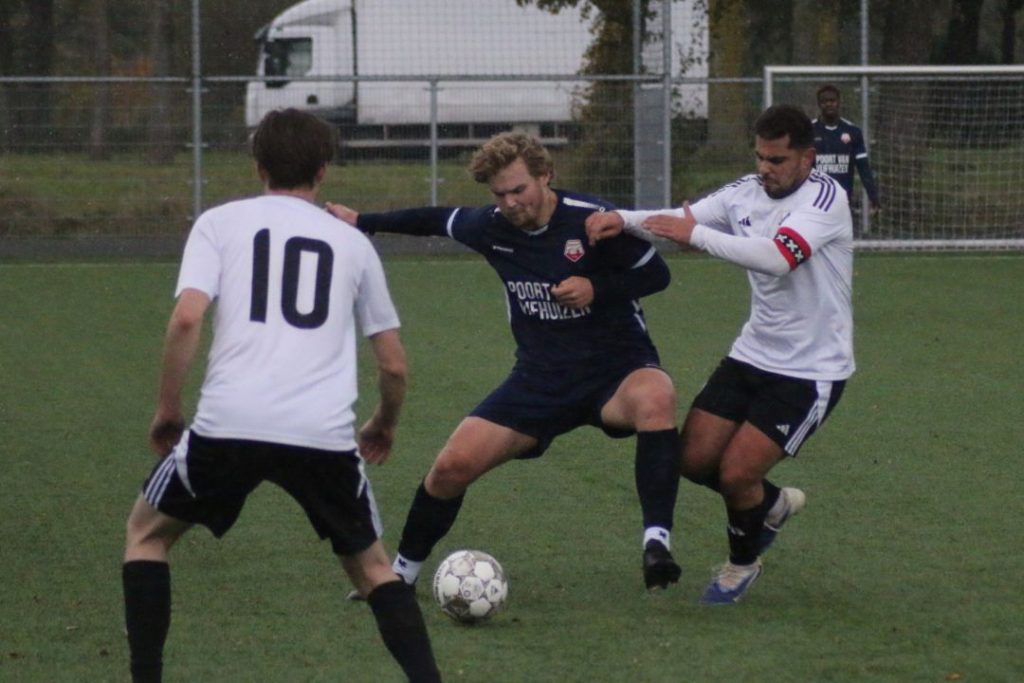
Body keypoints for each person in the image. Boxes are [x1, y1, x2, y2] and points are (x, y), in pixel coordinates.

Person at [121, 108, 441, 682]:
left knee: (147, 535)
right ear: (324, 171)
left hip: (228, 424)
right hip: (320, 433)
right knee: (372, 569)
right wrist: (383, 424)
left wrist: (168, 408)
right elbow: (393, 364)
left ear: (258, 165)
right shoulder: (353, 243)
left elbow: (187, 320)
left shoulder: (219, 224)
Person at [326, 131, 683, 594]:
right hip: (540, 381)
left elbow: (658, 274)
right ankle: (401, 574)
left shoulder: (592, 220)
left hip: (616, 371)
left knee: (658, 395)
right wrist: (363, 221)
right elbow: (435, 219)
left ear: (545, 176)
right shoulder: (491, 226)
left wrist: (597, 289)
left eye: (519, 190)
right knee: (450, 466)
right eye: (500, 194)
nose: (511, 203)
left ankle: (656, 543)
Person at [586, 104, 854, 605]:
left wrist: (699, 237)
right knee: (692, 459)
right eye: (760, 157)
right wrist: (622, 219)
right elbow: (680, 220)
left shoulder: (826, 198)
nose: (766, 169)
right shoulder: (744, 191)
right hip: (752, 353)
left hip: (810, 370)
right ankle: (770, 505)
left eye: (777, 160)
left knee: (735, 474)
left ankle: (742, 562)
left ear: (807, 158)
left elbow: (779, 257)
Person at [813, 84, 880, 215]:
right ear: (819, 104)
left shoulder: (852, 131)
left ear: (839, 102)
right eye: (824, 101)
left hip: (842, 203)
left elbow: (863, 168)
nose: (829, 104)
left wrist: (873, 196)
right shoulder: (809, 130)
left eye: (832, 101)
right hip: (815, 202)